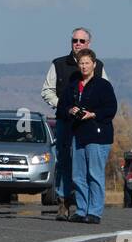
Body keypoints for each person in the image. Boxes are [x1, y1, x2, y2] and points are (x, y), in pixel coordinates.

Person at [40, 27, 107, 221]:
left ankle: (86, 207)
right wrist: (64, 106)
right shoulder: (59, 64)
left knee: (87, 165)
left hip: (89, 125)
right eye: (74, 40)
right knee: (64, 161)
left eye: (81, 41)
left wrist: (92, 113)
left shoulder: (99, 66)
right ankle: (63, 202)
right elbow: (47, 90)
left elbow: (106, 94)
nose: (77, 44)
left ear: (89, 44)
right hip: (64, 122)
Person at [59, 48, 116, 224]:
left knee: (94, 174)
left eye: (87, 63)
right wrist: (71, 109)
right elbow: (62, 107)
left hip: (98, 135)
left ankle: (95, 212)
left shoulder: (103, 85)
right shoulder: (72, 85)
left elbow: (111, 109)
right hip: (78, 134)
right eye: (81, 63)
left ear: (94, 64)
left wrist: (93, 114)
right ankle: (82, 210)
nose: (84, 66)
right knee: (78, 175)